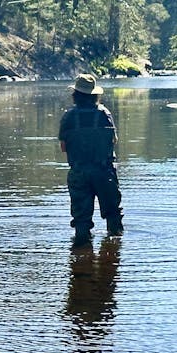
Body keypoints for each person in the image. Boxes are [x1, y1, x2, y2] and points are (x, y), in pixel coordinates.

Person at [58, 74, 124, 246]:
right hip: (104, 172)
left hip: (79, 172)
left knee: (81, 221)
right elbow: (113, 141)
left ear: (75, 94)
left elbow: (63, 147)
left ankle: (80, 253)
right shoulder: (104, 113)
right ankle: (113, 254)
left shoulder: (68, 117)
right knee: (113, 217)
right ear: (95, 95)